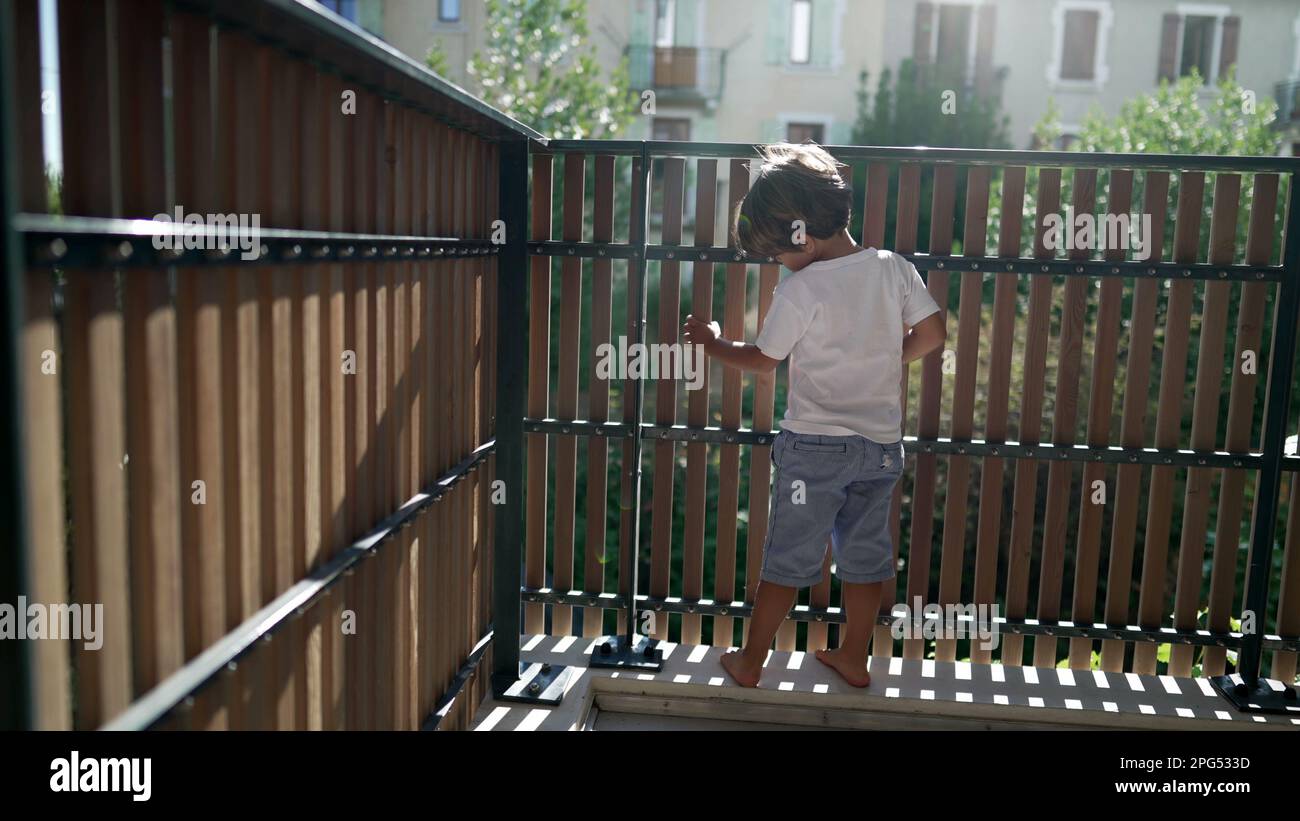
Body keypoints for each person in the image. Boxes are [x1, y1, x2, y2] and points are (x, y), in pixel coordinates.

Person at [681, 142, 946, 688]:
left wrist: (711, 344)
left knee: (789, 554)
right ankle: (854, 657)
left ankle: (750, 661)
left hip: (815, 449)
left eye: (779, 251)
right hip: (880, 449)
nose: (779, 262)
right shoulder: (894, 268)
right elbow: (933, 334)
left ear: (800, 233)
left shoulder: (802, 287)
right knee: (866, 555)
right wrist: (884, 355)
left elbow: (763, 361)